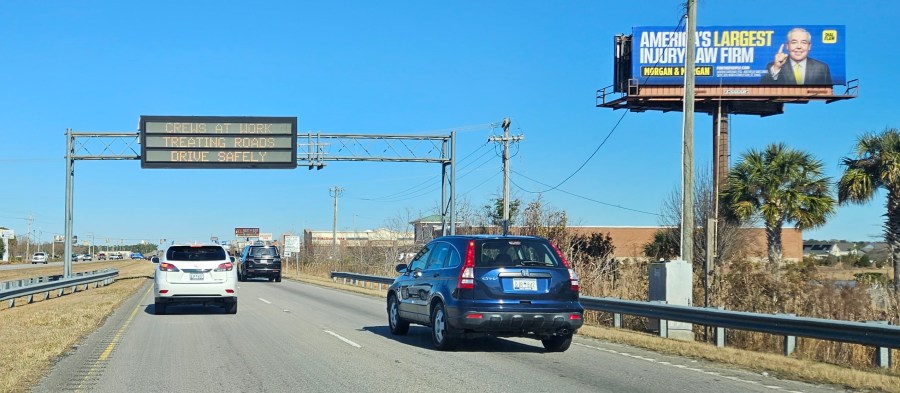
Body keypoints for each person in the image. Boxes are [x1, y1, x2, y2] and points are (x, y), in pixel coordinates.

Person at [760, 27, 832, 85]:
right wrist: (777, 67)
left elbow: (828, 92)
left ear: (809, 46)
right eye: (794, 42)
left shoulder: (822, 68)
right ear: (787, 46)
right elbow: (762, 90)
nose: (799, 47)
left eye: (803, 42)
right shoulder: (772, 66)